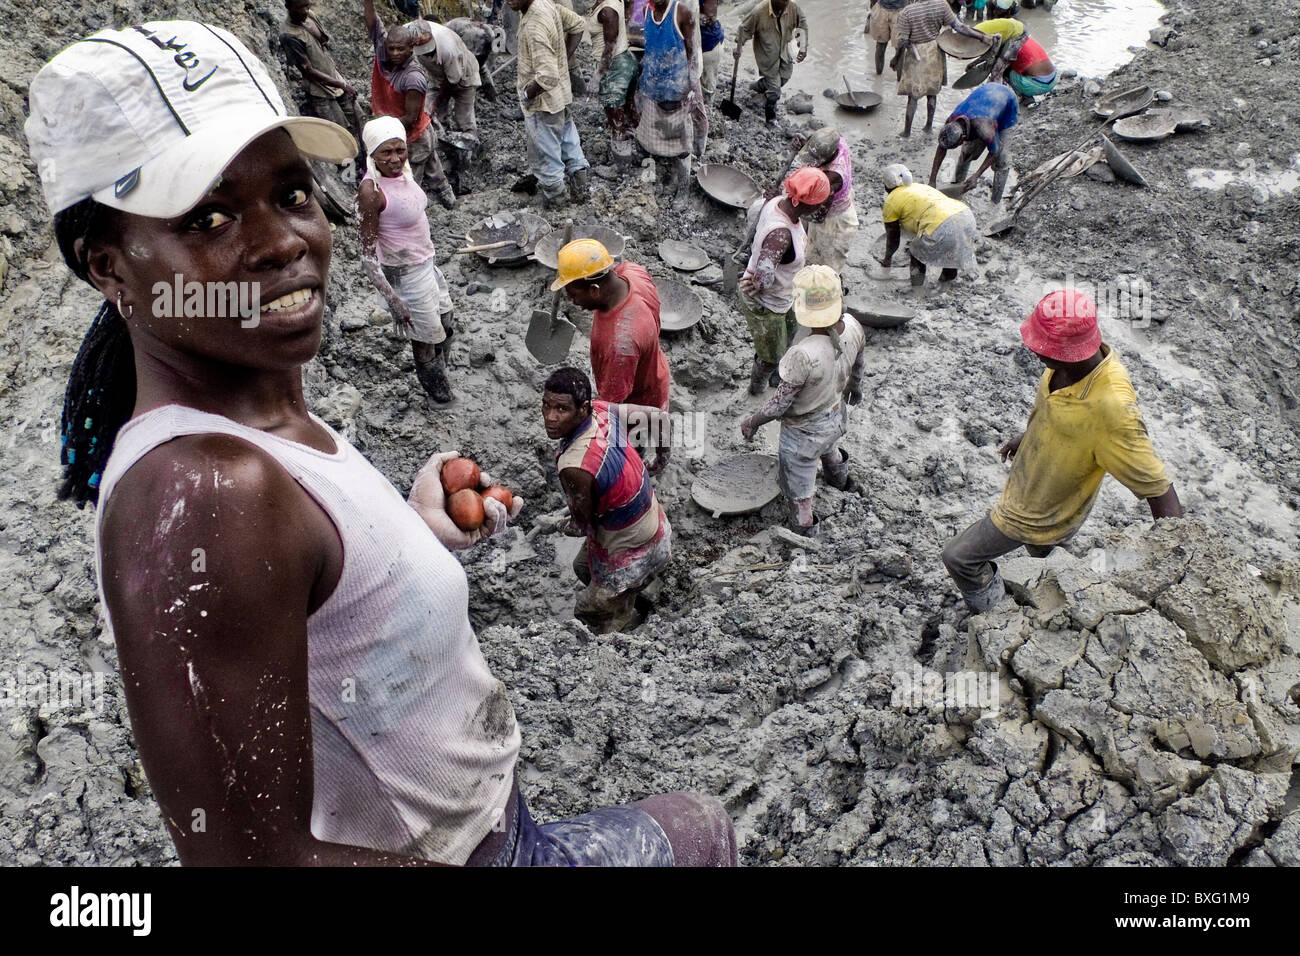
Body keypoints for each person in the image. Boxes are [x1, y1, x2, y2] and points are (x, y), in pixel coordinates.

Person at [28, 18, 736, 868]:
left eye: (290, 195)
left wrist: (413, 535)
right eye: (209, 217)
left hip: (491, 824)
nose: (283, 241)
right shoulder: (208, 499)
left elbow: (312, 620)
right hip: (469, 855)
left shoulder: (258, 417)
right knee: (703, 829)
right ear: (106, 264)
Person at [942, 291, 1183, 611]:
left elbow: (1159, 488)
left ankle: (996, 616)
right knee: (1052, 562)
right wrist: (1028, 436)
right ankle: (1064, 599)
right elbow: (1061, 416)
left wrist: (1177, 563)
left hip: (1034, 515)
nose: (1035, 352)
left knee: (958, 558)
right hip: (1035, 493)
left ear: (1073, 351)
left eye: (1045, 349)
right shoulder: (1069, 368)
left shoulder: (1112, 410)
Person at [544, 368, 674, 635]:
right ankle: (635, 594)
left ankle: (626, 626)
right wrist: (659, 461)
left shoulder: (573, 466)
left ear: (582, 409)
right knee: (582, 567)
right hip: (653, 520)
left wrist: (554, 525)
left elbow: (581, 526)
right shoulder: (602, 410)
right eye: (546, 406)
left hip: (635, 548)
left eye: (561, 409)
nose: (550, 417)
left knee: (587, 611)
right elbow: (660, 418)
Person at [740, 266, 866, 536]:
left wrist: (753, 421)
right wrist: (855, 388)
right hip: (835, 414)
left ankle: (805, 531)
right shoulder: (854, 326)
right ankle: (841, 481)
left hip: (803, 435)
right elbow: (858, 365)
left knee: (800, 490)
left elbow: (779, 405)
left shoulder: (803, 354)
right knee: (830, 445)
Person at [358, 117, 455, 404]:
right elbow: (366, 256)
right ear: (372, 154)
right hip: (405, 276)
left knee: (446, 322)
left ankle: (441, 369)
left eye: (400, 150)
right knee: (424, 341)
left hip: (426, 264)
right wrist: (394, 300)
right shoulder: (371, 192)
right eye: (385, 152)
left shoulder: (405, 172)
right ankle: (440, 396)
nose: (395, 158)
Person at [738, 166, 832, 394]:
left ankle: (775, 373)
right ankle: (756, 388)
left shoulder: (779, 201)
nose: (823, 207)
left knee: (787, 337)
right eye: (820, 203)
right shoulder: (780, 236)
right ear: (805, 203)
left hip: (784, 295)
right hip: (767, 303)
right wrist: (758, 282)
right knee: (769, 354)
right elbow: (762, 278)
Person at [550, 240, 671, 411]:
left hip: (638, 408)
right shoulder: (632, 272)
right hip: (654, 372)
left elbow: (611, 404)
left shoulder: (620, 345)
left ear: (594, 290)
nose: (571, 300)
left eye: (573, 294)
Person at [364, 0, 457, 209]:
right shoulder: (382, 47)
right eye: (392, 49)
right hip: (415, 130)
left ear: (411, 49)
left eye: (400, 49)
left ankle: (416, 212)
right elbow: (372, 22)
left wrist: (381, 135)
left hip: (414, 136)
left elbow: (409, 117)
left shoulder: (413, 77)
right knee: (435, 170)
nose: (395, 53)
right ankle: (451, 203)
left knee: (409, 181)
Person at [511, 0, 591, 208]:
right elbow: (577, 24)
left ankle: (558, 202)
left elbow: (546, 76)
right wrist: (563, 57)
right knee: (568, 140)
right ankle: (581, 189)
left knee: (546, 156)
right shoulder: (546, 5)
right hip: (561, 95)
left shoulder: (535, 24)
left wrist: (527, 95)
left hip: (543, 102)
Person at [890, 0, 993, 137]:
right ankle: (928, 127)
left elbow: (902, 41)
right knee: (932, 93)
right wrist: (982, 37)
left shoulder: (907, 12)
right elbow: (959, 27)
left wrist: (896, 58)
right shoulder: (941, 5)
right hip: (935, 51)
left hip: (917, 55)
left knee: (913, 96)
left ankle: (907, 132)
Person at [634, 0, 700, 199]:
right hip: (652, 88)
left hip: (676, 91)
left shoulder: (682, 13)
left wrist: (691, 87)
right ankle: (649, 180)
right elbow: (646, 47)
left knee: (682, 146)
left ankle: (683, 189)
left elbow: (692, 52)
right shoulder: (646, 12)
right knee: (647, 140)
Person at [279, 0, 362, 158]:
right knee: (337, 134)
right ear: (288, 7)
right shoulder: (289, 35)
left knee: (358, 119)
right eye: (300, 7)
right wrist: (342, 85)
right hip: (320, 91)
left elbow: (324, 42)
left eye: (307, 5)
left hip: (334, 78)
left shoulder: (310, 16)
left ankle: (364, 160)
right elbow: (308, 71)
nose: (305, 10)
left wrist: (340, 82)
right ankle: (347, 170)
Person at [879, 163, 978, 286]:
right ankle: (945, 284)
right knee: (954, 250)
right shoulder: (919, 187)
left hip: (942, 225)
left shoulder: (891, 201)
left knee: (916, 252)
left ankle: (916, 290)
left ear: (886, 187)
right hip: (965, 216)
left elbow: (893, 239)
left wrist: (887, 259)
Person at [931, 80, 1018, 202]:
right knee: (967, 153)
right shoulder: (951, 120)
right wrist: (932, 180)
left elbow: (996, 150)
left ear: (962, 138)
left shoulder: (983, 129)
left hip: (1006, 103)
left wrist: (977, 175)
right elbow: (941, 148)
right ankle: (958, 186)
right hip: (986, 96)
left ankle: (996, 201)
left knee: (1002, 160)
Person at [792, 127, 858, 273]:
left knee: (827, 265)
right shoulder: (837, 140)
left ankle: (833, 288)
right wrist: (806, 144)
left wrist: (790, 213)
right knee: (812, 252)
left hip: (835, 222)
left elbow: (818, 216)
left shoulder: (832, 177)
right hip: (839, 202)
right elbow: (820, 142)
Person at [733, 0, 808, 125]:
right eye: (779, 5)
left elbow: (803, 24)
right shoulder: (758, 12)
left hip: (784, 51)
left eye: (785, 4)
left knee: (784, 77)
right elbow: (744, 29)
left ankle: (756, 86)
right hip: (767, 55)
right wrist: (738, 47)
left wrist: (803, 46)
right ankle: (770, 117)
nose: (782, 8)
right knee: (774, 90)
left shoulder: (793, 7)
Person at [405, 17, 483, 136]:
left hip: (464, 76)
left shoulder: (448, 49)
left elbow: (451, 82)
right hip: (437, 77)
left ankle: (469, 139)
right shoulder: (406, 31)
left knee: (464, 116)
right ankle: (442, 133)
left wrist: (437, 100)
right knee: (429, 111)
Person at [592, 0, 640, 159]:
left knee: (616, 123)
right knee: (630, 112)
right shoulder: (613, 3)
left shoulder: (607, 10)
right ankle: (643, 151)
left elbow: (610, 47)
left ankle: (622, 166)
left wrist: (597, 76)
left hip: (615, 69)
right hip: (625, 62)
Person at [977, 18, 1058, 101]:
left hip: (1035, 86)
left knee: (1003, 70)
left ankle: (1025, 97)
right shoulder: (1026, 39)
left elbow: (996, 74)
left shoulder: (1011, 47)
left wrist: (988, 93)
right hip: (1054, 79)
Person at [446, 17, 501, 101]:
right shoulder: (452, 24)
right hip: (488, 32)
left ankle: (469, 98)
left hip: (474, 38)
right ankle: (491, 95)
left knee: (468, 69)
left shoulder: (444, 31)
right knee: (480, 67)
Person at [864, 0, 908, 76]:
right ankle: (879, 75)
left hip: (900, 11)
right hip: (883, 9)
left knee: (900, 47)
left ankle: (898, 79)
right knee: (881, 45)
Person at [699, 0, 724, 102]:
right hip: (701, 41)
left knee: (708, 79)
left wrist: (698, 16)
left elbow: (711, 14)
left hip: (709, 44)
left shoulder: (709, 3)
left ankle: (708, 105)